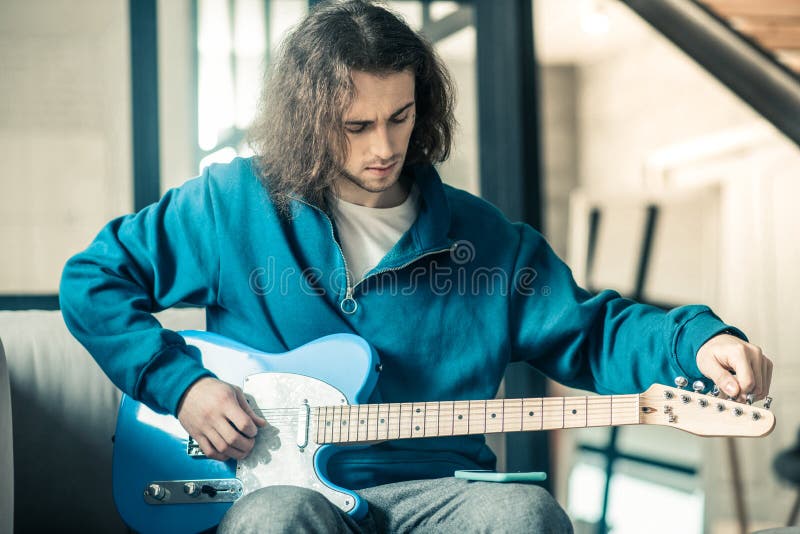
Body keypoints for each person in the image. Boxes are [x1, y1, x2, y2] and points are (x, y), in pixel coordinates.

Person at [59, 1, 773, 532]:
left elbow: (597, 333)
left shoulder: (486, 240)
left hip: (440, 491)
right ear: (308, 120)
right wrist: (181, 386)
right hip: (275, 492)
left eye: (399, 117)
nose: (384, 147)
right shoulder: (231, 204)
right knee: (274, 520)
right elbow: (92, 280)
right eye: (356, 126)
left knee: (526, 514)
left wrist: (697, 342)